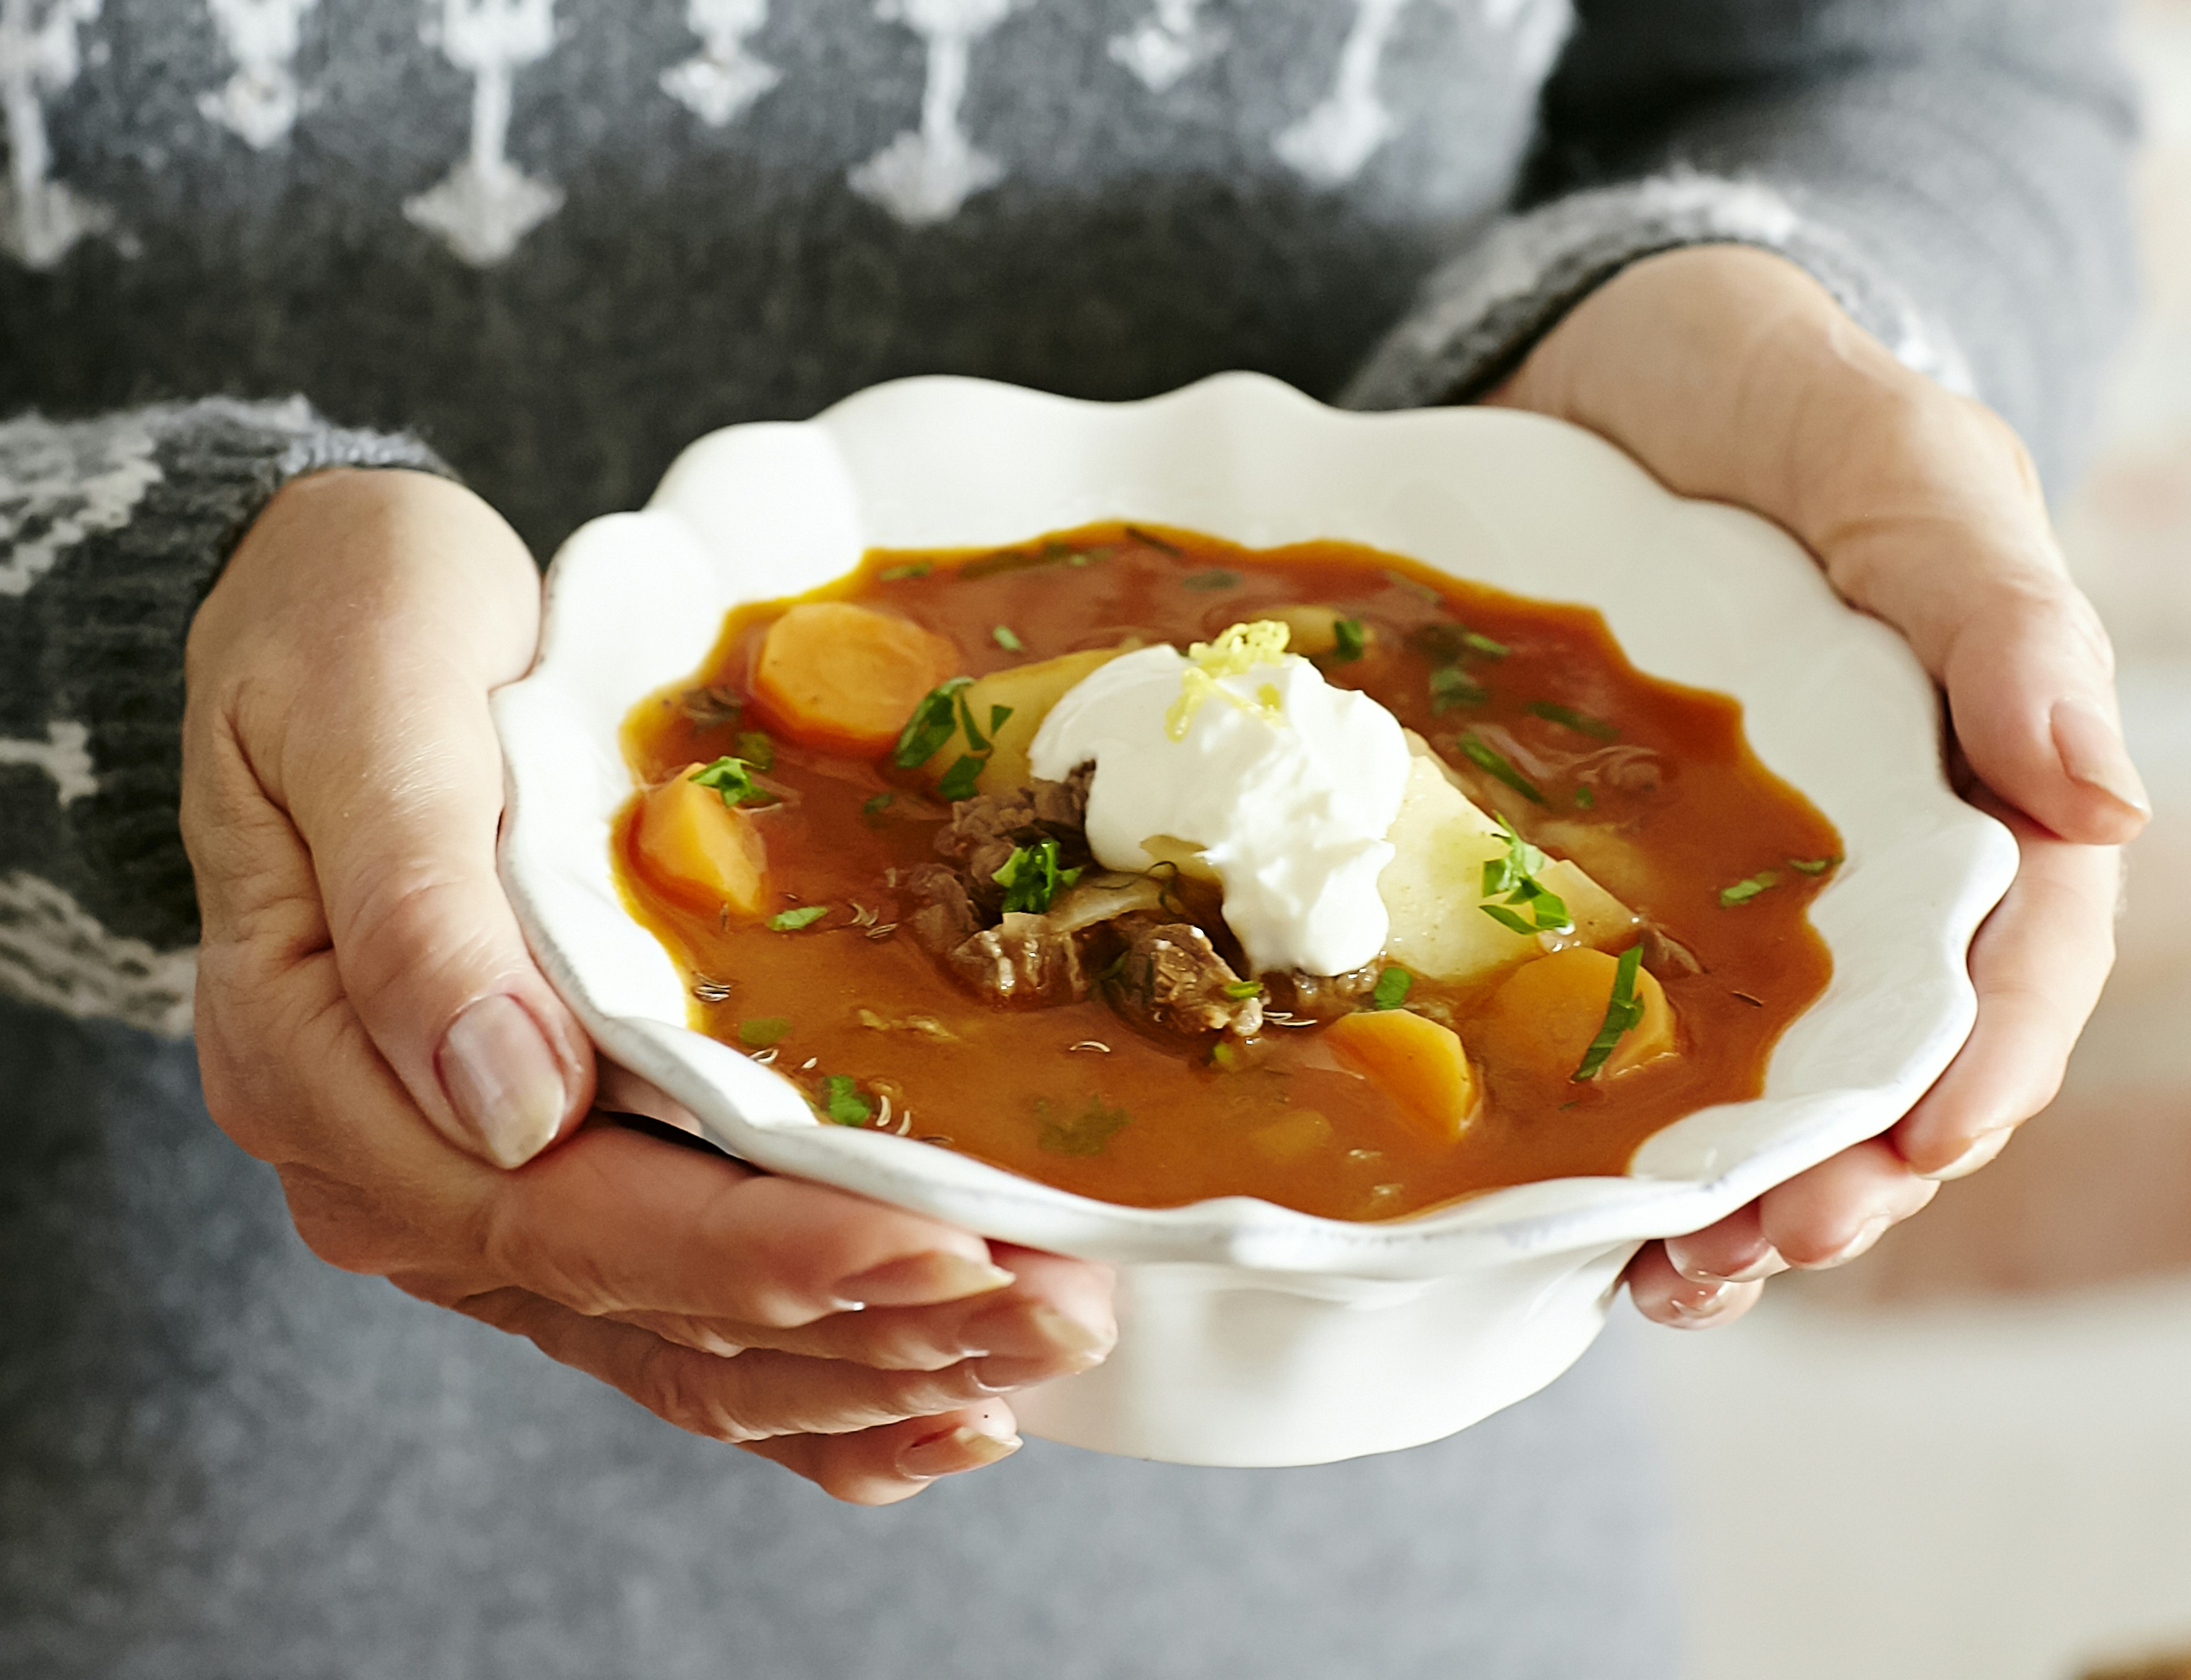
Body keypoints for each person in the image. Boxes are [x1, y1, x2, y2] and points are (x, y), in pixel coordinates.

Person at [0, 1, 2145, 1673]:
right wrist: (135, 659)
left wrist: (1813, 350)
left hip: (1372, 1567)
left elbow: (1933, 66)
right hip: (144, 1549)